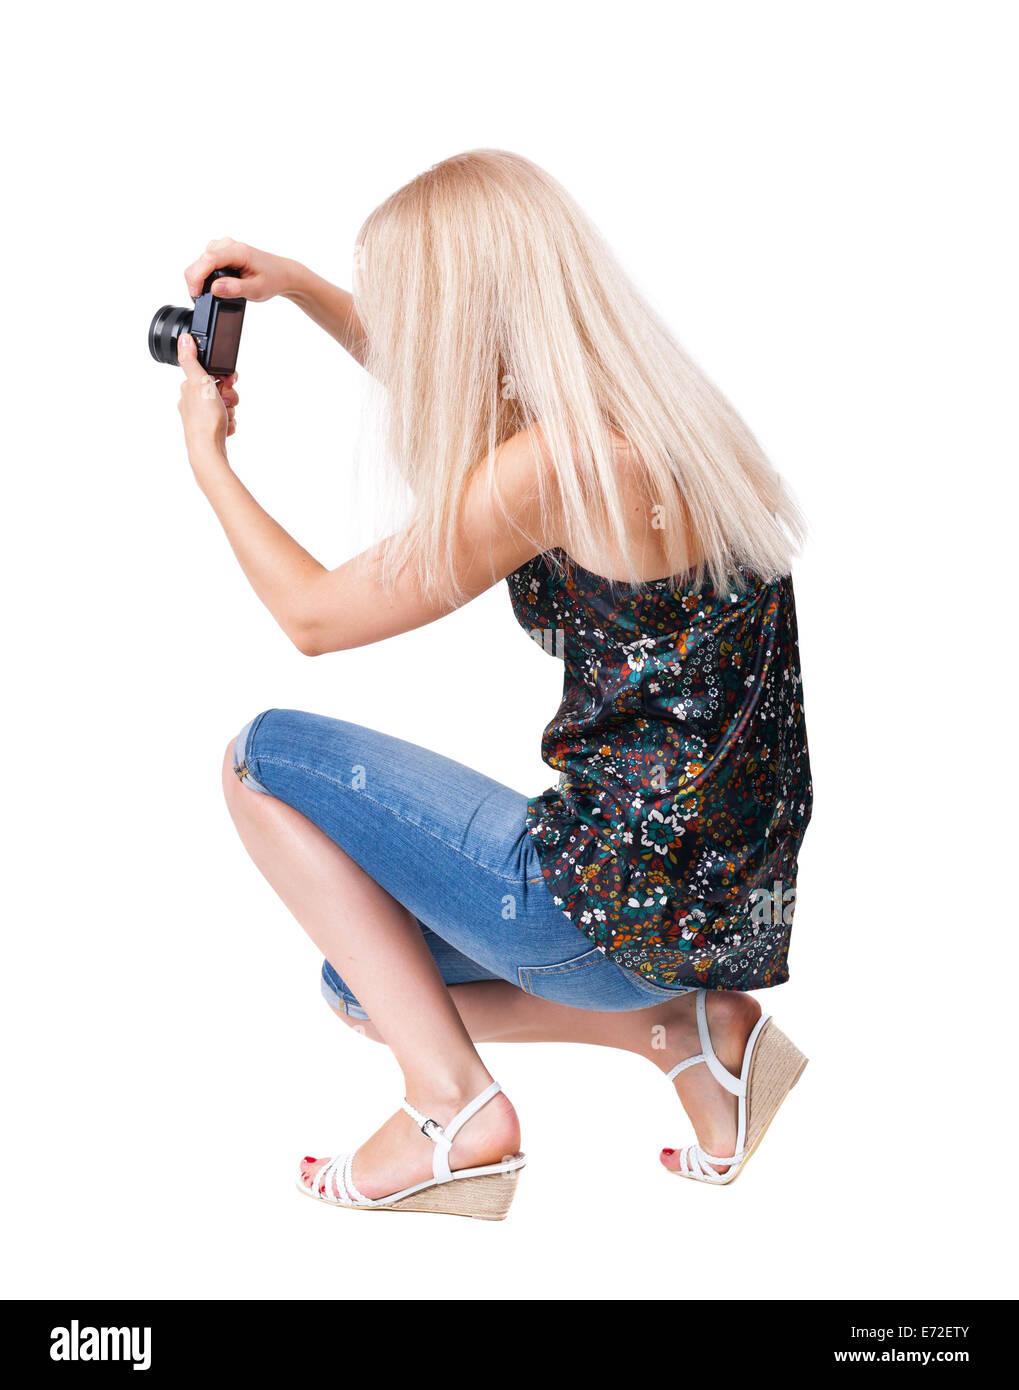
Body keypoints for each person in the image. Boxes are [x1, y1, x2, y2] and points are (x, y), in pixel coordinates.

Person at [173, 150, 812, 1219]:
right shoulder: (658, 424)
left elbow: (313, 618)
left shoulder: (552, 465)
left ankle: (451, 1107)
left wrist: (209, 463)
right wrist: (303, 289)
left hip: (590, 910)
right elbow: (465, 400)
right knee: (363, 982)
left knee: (259, 758)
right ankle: (688, 1033)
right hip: (711, 911)